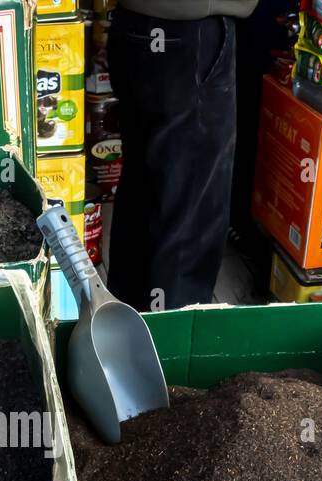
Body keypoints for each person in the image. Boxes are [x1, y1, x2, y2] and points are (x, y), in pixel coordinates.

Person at [106, 0, 257, 312]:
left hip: (137, 22)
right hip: (189, 28)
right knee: (189, 211)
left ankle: (125, 334)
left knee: (145, 189)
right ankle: (168, 349)